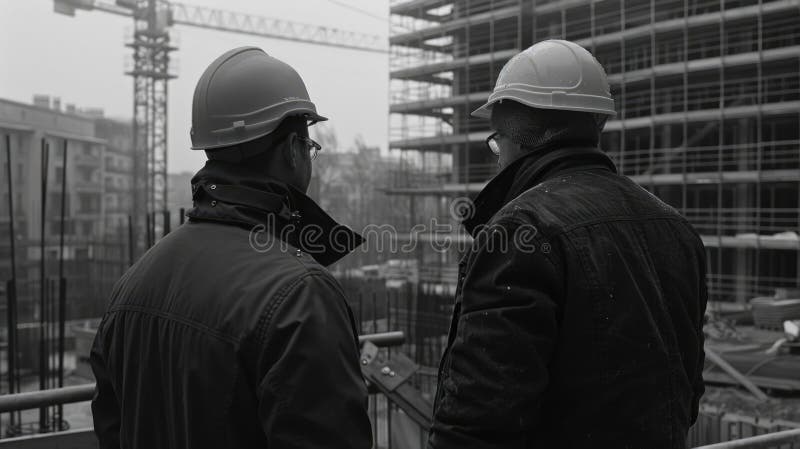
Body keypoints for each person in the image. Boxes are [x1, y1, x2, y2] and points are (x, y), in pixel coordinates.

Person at [427, 40, 708, 449]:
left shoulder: (520, 231)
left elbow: (478, 422)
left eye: (497, 140)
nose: (497, 158)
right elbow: (686, 392)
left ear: (519, 136)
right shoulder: (677, 229)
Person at [90, 47, 373, 449]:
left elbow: (112, 430)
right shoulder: (300, 295)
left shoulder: (133, 283)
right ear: (292, 151)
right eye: (310, 148)